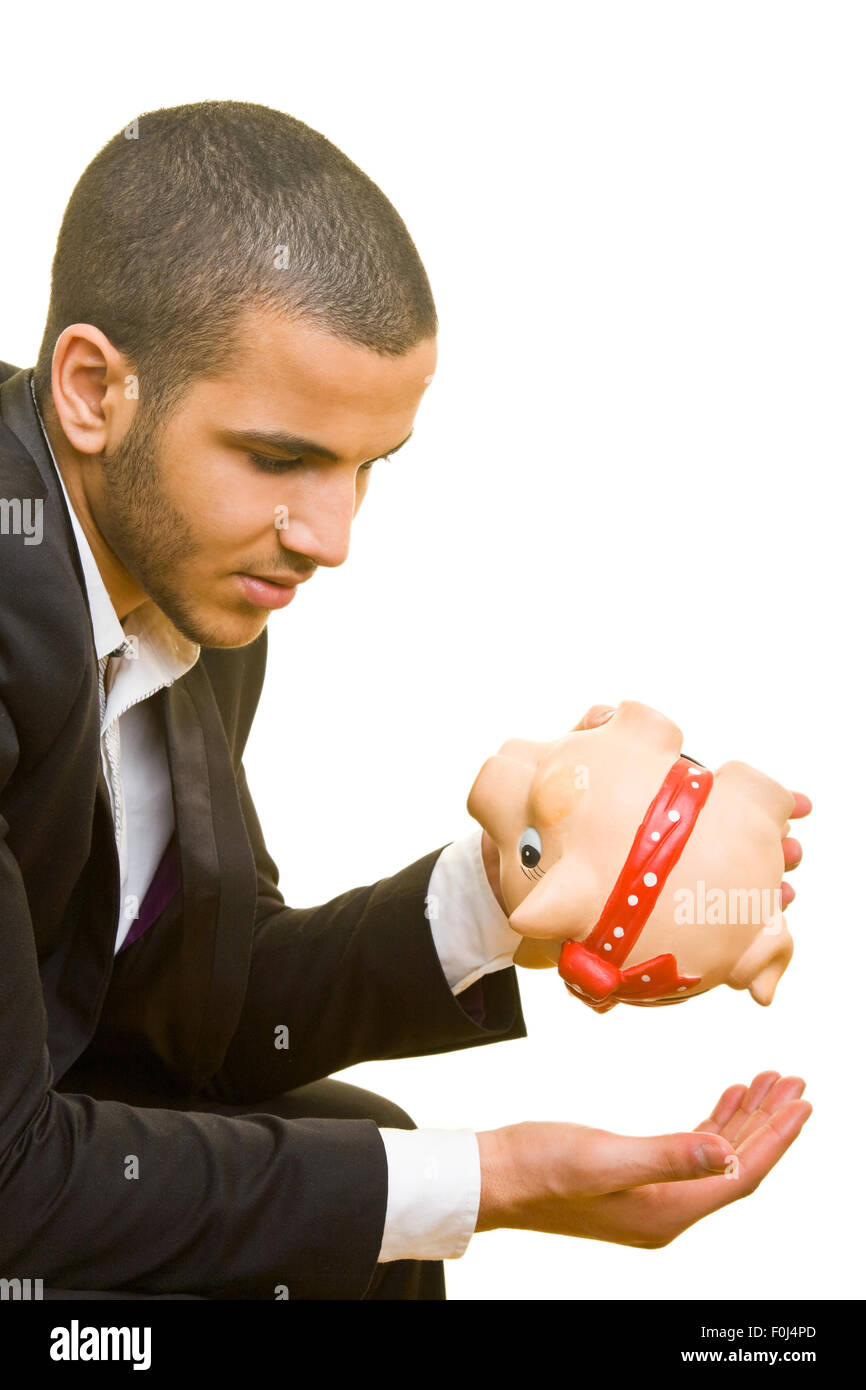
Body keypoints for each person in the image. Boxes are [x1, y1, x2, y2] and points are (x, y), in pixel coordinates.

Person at [0, 100, 812, 1301]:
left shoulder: (190, 578)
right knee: (380, 1200)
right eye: (281, 459)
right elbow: (15, 1188)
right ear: (90, 388)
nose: (328, 539)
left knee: (359, 1175)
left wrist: (505, 888)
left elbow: (189, 1018)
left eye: (366, 465)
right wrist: (491, 1181)